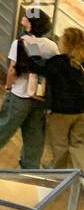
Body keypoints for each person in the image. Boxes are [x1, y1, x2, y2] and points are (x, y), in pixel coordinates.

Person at [0, 10, 58, 167]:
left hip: (20, 93)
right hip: (40, 96)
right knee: (34, 132)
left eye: (25, 17)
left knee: (6, 123)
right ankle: (30, 164)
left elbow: (12, 70)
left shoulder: (21, 42)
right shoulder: (52, 46)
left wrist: (8, 87)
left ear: (30, 24)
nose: (22, 18)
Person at [31, 26, 84, 168]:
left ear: (66, 44)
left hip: (61, 111)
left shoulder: (59, 62)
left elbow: (37, 66)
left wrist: (32, 47)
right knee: (79, 145)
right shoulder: (81, 63)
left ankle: (57, 173)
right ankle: (80, 175)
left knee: (60, 144)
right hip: (81, 111)